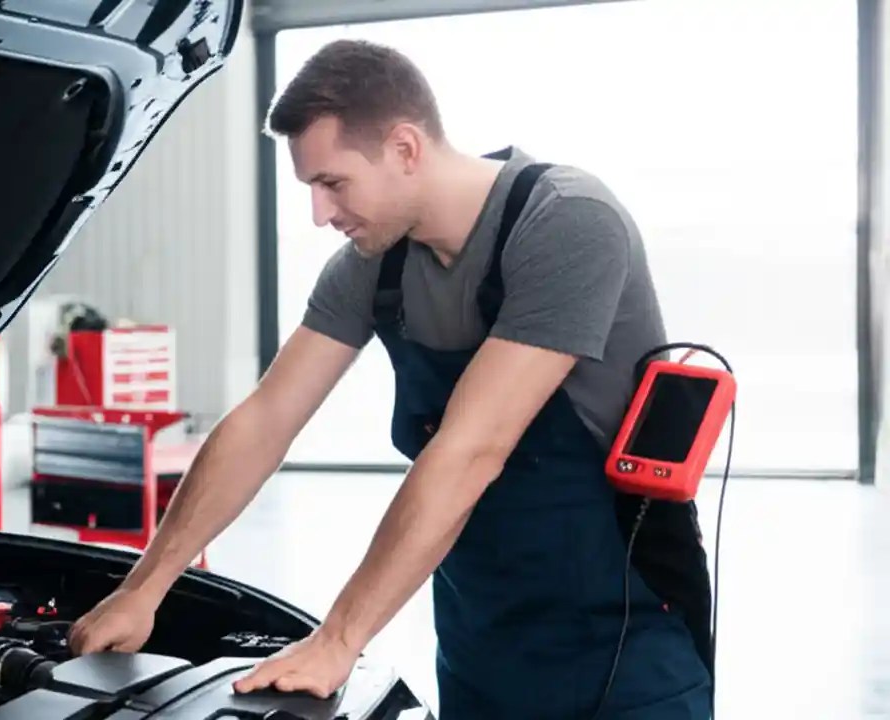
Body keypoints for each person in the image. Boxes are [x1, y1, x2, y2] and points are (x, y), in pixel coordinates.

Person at [68, 39, 714, 719]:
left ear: (405, 148)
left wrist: (339, 638)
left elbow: (472, 449)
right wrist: (145, 586)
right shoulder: (371, 268)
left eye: (332, 183)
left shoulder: (568, 222)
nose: (320, 214)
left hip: (626, 639)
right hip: (481, 642)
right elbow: (266, 419)